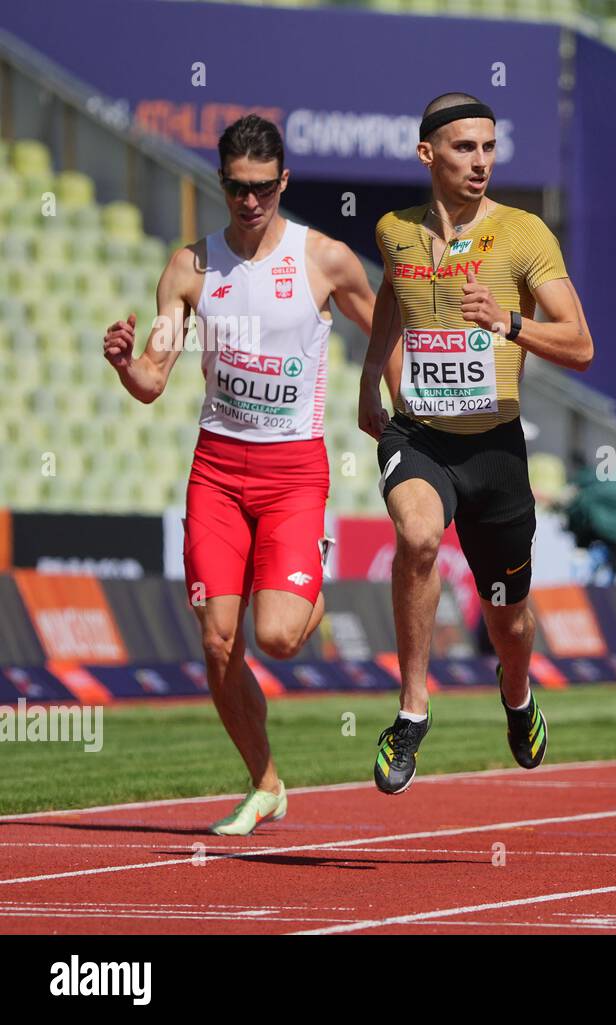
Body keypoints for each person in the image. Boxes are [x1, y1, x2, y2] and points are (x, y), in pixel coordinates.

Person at [103, 115, 376, 834]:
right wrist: (126, 363)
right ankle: (265, 782)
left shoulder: (325, 260)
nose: (248, 202)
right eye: (234, 188)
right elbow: (154, 377)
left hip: (293, 471)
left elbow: (384, 332)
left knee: (279, 636)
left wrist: (393, 407)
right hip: (217, 471)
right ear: (219, 181)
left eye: (261, 189)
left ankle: (307, 574)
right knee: (220, 641)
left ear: (282, 181)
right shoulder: (190, 267)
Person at [358, 93, 594, 795]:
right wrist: (372, 376)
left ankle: (517, 698)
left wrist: (510, 322)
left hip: (495, 449)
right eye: (465, 148)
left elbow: (580, 344)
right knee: (419, 537)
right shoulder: (393, 230)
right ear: (428, 154)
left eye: (489, 147)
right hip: (419, 435)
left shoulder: (524, 234)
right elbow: (392, 297)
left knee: (510, 622)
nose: (481, 161)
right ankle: (412, 711)